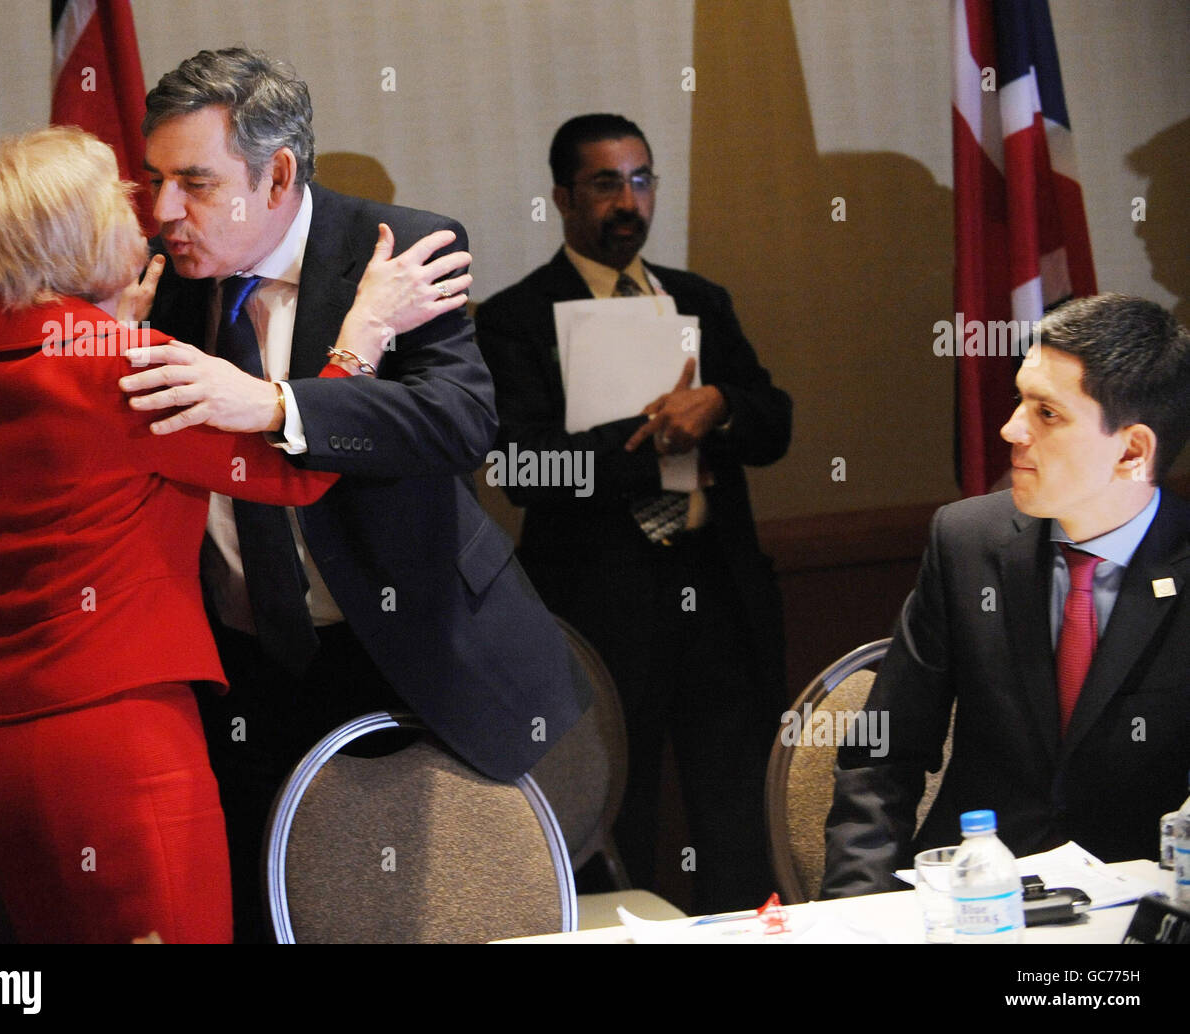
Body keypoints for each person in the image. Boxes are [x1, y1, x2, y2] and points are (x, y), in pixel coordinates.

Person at [107, 49, 592, 940]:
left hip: (411, 651)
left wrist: (279, 404)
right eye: (156, 181)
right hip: (240, 671)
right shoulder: (157, 274)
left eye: (196, 183)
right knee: (269, 918)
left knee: (435, 917)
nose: (165, 211)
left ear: (278, 172)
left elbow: (457, 423)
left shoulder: (399, 250)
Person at [0, 125, 371, 942]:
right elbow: (297, 471)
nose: (142, 211)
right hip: (119, 739)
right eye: (116, 196)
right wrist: (362, 341)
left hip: (1, 743)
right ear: (76, 231)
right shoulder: (123, 365)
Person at [474, 114, 792, 913]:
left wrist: (719, 404)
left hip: (716, 593)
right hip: (602, 605)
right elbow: (523, 470)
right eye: (606, 183)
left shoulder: (698, 298)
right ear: (562, 197)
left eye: (641, 179)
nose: (628, 200)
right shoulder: (515, 317)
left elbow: (775, 422)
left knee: (736, 814)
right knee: (620, 814)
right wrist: (652, 439)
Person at [821, 294, 1190, 899]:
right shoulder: (965, 542)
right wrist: (854, 915)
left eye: (1047, 413)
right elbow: (881, 753)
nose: (1011, 428)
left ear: (1131, 451)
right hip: (970, 904)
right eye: (1021, 399)